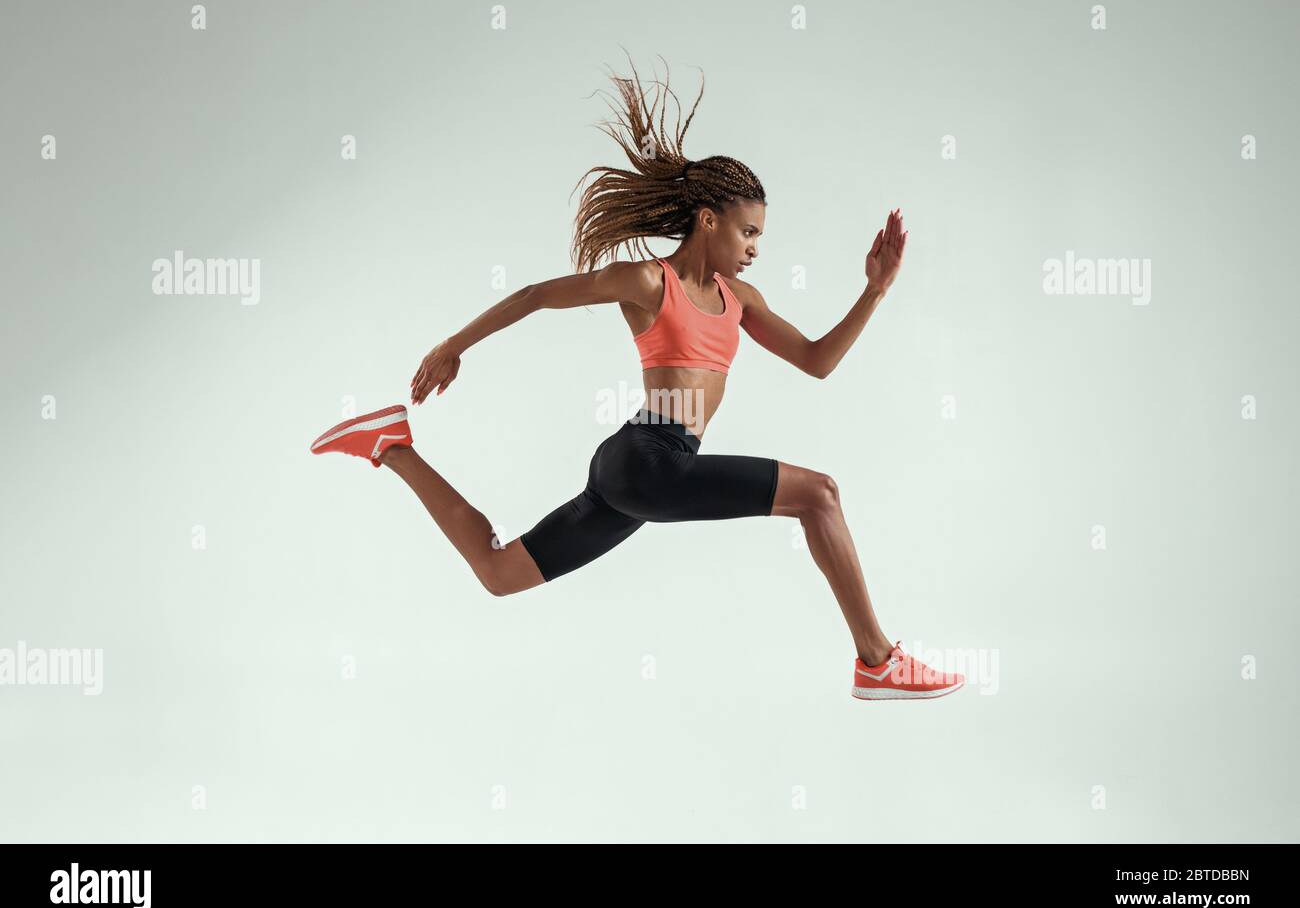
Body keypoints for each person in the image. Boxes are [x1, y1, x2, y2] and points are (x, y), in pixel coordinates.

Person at [310, 59, 963, 700]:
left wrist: (873, 291)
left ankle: (391, 444)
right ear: (708, 219)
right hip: (646, 458)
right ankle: (877, 660)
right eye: (748, 231)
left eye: (760, 235)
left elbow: (818, 361)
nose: (756, 247)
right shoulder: (651, 282)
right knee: (819, 494)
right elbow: (540, 294)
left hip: (645, 469)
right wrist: (454, 345)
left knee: (499, 570)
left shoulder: (744, 299)